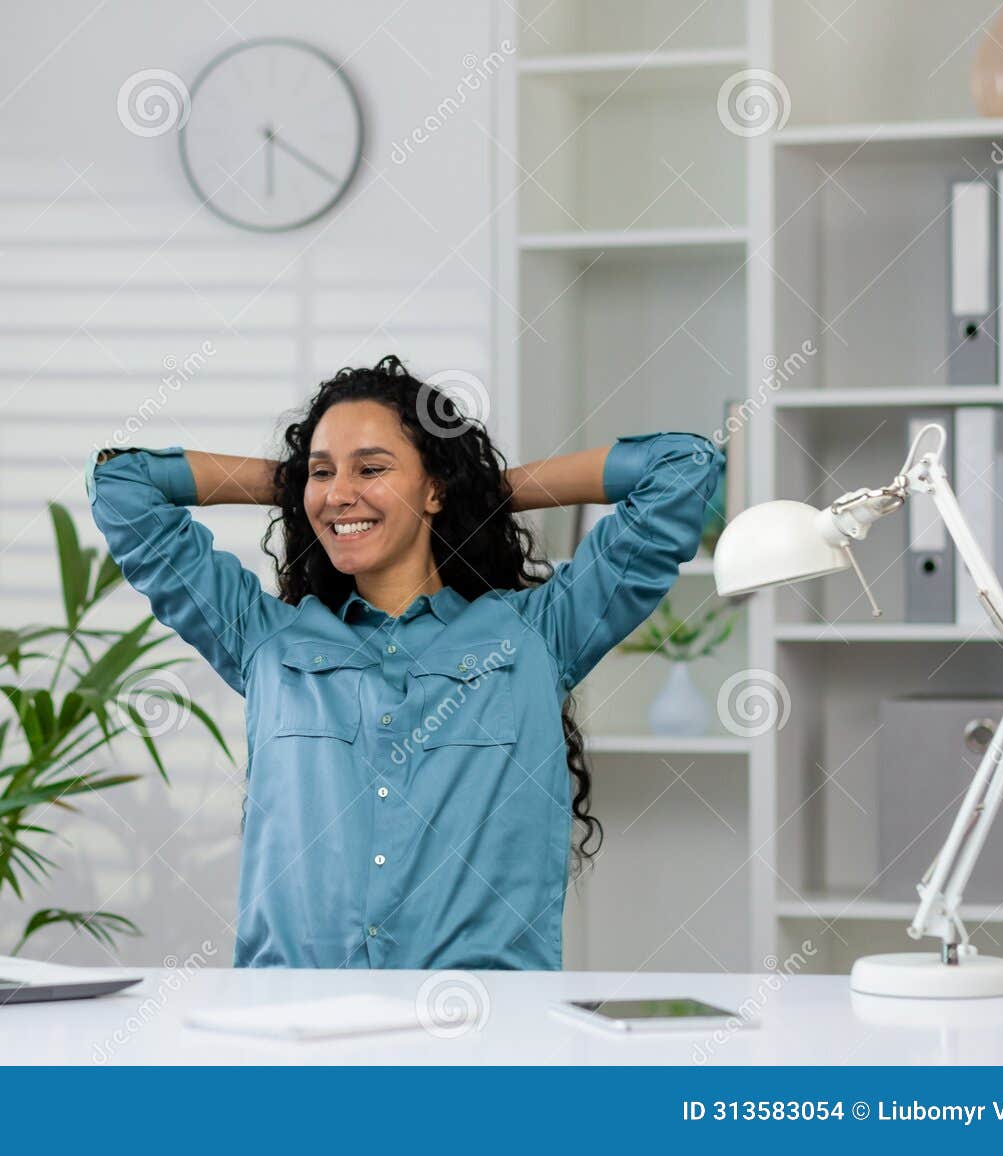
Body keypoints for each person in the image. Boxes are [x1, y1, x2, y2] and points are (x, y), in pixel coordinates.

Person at [86, 354, 723, 969]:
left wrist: (479, 488)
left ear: (435, 486)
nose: (339, 494)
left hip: (487, 1037)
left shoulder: (540, 634)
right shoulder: (263, 642)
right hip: (292, 1032)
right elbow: (123, 485)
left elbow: (684, 469)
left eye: (371, 468)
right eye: (322, 471)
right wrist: (303, 487)